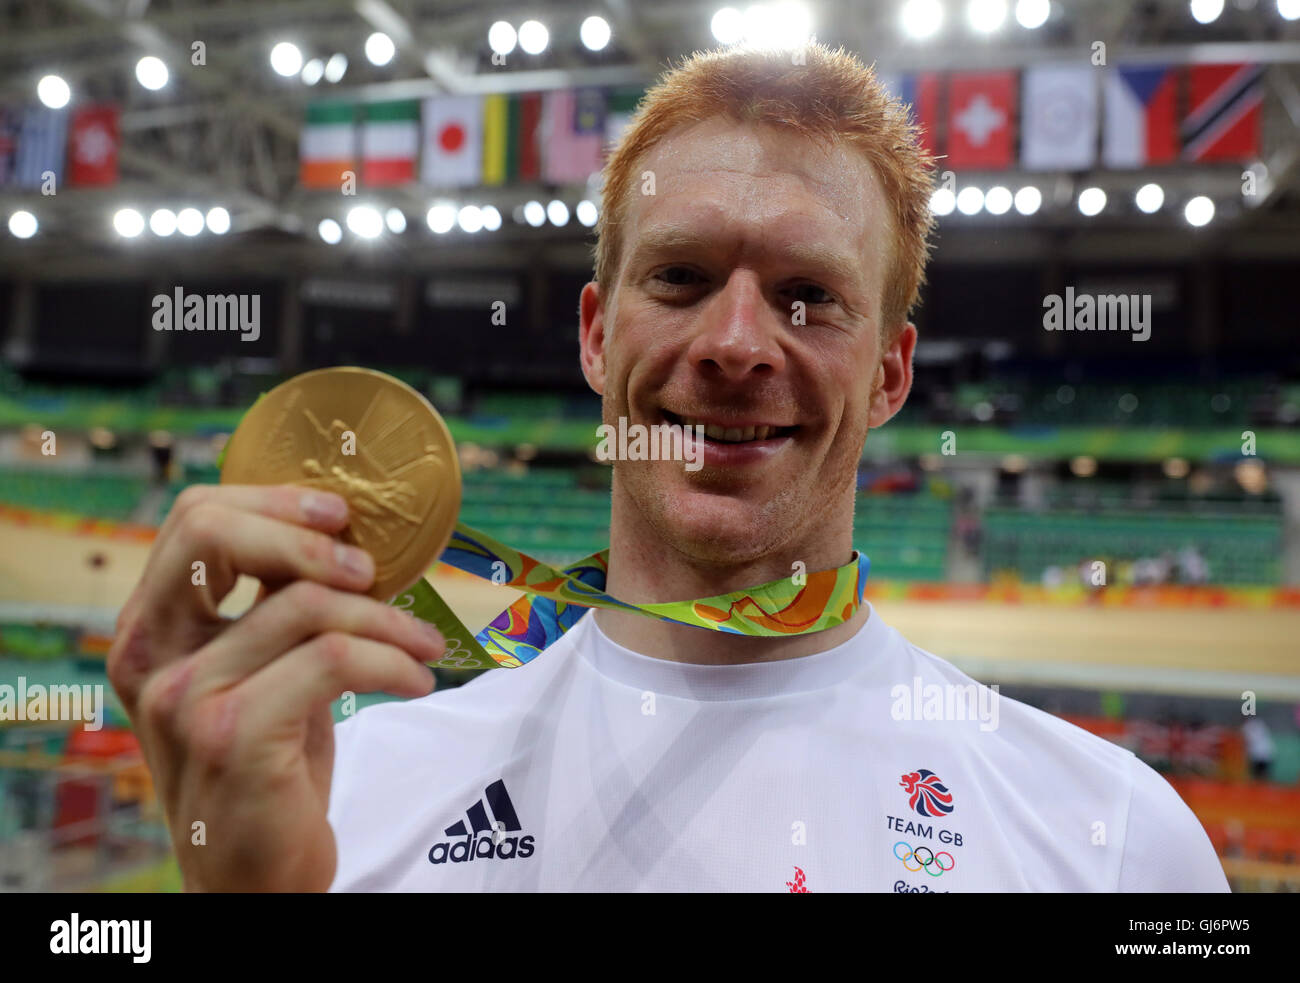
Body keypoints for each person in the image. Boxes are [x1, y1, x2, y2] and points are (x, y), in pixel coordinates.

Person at [107, 44, 1228, 892]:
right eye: (682, 277)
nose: (735, 344)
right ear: (596, 336)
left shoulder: (1120, 840)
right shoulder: (347, 794)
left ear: (889, 375)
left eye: (809, 296)